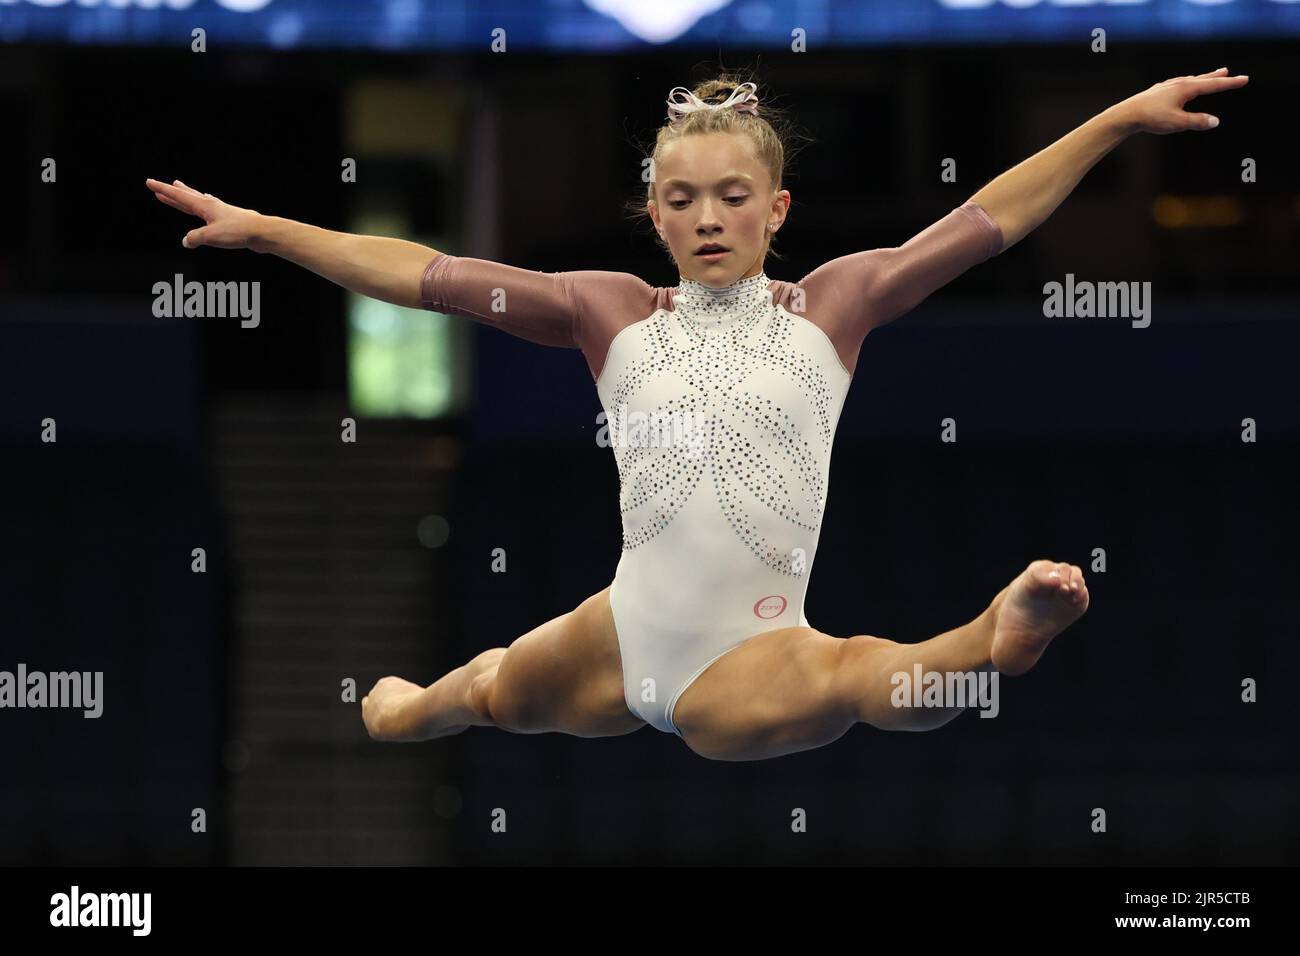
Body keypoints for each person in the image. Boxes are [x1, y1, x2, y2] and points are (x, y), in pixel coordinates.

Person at [146, 66, 1247, 761]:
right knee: (488, 690)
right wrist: (270, 229)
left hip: (747, 653)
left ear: (775, 209)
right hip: (621, 629)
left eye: (732, 198)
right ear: (653, 213)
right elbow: (422, 270)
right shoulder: (603, 309)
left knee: (866, 675)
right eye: (681, 199)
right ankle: (404, 711)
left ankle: (997, 637)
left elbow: (986, 219)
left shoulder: (836, 302)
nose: (707, 218)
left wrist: (1110, 119)